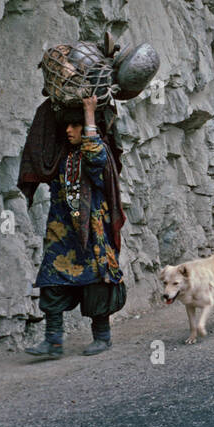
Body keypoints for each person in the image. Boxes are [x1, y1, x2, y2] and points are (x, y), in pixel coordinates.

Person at [17, 94, 126, 359]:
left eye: (75, 126)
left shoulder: (99, 154)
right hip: (62, 230)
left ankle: (102, 336)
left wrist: (89, 112)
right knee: (52, 279)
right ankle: (53, 341)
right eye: (67, 125)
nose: (68, 130)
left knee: (97, 282)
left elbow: (96, 155)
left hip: (93, 230)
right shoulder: (61, 156)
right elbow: (41, 145)